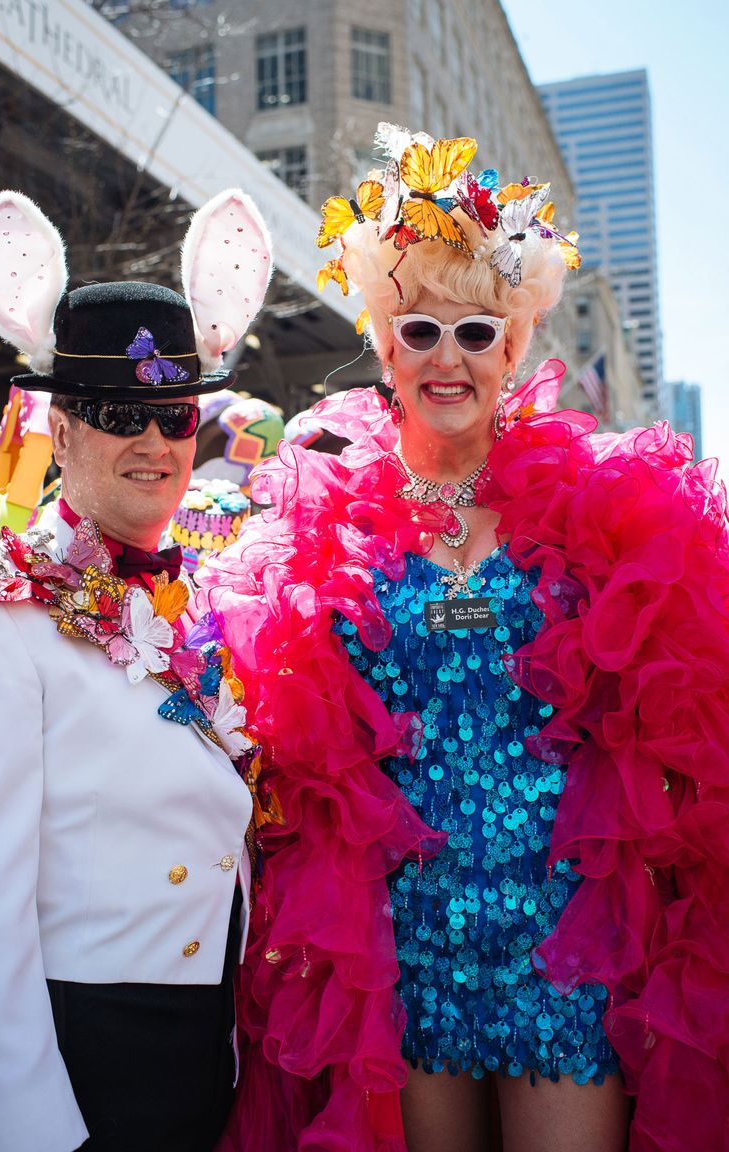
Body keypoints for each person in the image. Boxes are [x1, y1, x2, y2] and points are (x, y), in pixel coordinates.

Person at [194, 124, 729, 1152]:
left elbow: (680, 712)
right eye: (422, 330)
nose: (448, 359)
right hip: (408, 950)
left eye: (475, 333)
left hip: (567, 949)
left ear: (515, 346)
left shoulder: (604, 512)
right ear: (386, 343)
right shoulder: (324, 531)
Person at [0, 184, 273, 1152]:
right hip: (75, 1081)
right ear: (57, 433)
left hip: (200, 1072)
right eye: (115, 409)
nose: (152, 440)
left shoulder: (197, 605)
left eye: (174, 414)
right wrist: (34, 1134)